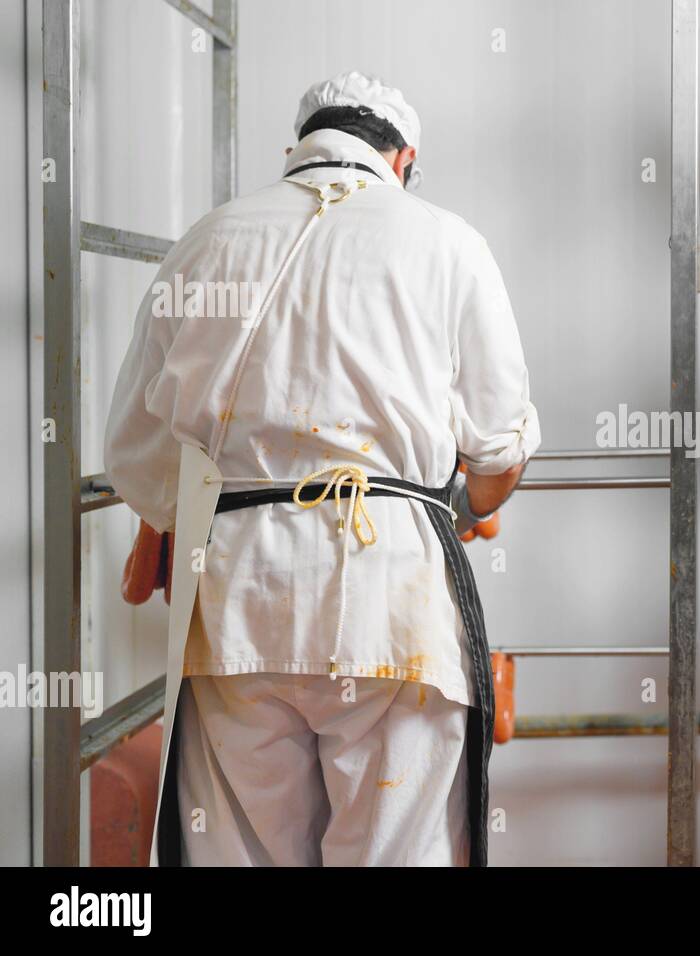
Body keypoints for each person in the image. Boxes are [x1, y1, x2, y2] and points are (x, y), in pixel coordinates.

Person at [104, 71, 540, 866]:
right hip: (396, 608)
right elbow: (499, 450)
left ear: (293, 152)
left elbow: (137, 456)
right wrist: (465, 507)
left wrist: (182, 511)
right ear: (403, 160)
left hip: (237, 610)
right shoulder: (447, 240)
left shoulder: (206, 240)